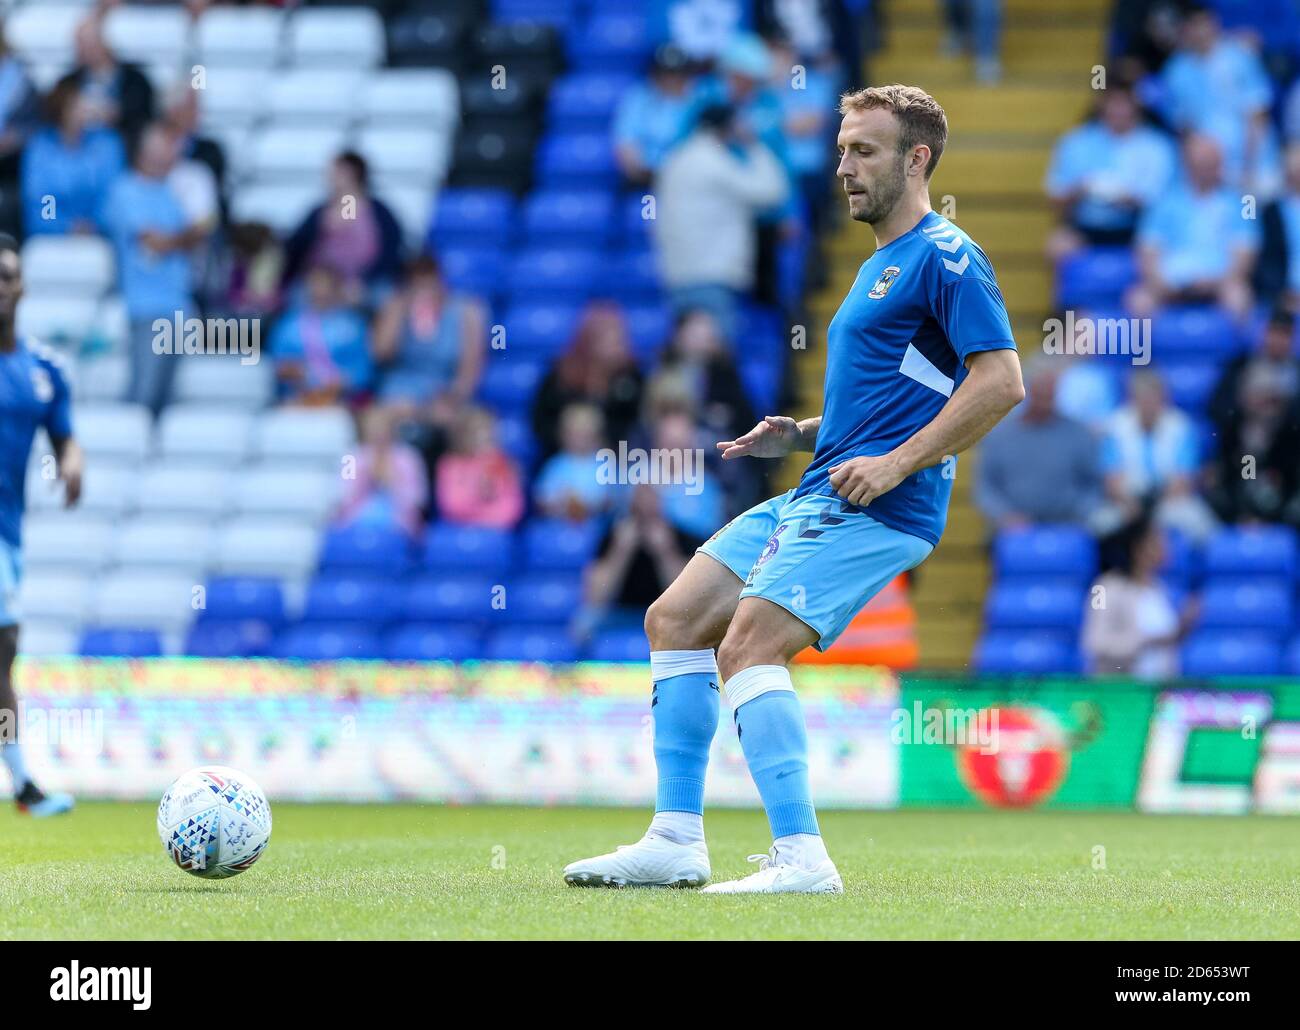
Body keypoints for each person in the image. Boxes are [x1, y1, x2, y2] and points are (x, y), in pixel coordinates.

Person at [564, 85, 1023, 893]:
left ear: (917, 159)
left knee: (748, 644)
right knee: (673, 619)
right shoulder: (883, 262)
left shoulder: (947, 255)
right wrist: (807, 430)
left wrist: (894, 465)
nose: (843, 166)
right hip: (821, 484)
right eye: (843, 149)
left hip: (877, 503)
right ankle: (674, 837)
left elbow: (1000, 382)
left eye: (865, 151)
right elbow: (905, 389)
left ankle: (803, 859)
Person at [0, 233, 81, 816]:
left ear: (21, 285)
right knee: (4, 645)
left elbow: (65, 435)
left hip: (10, 531)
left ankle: (24, 783)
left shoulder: (44, 370)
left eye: (6, 275)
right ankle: (24, 783)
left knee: (3, 654)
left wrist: (72, 466)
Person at [652, 102, 787, 337]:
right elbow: (772, 192)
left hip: (677, 276)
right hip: (714, 275)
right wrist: (754, 145)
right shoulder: (714, 161)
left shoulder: (674, 160)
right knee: (717, 359)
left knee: (687, 355)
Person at [102, 123, 205, 415]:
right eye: (162, 150)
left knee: (167, 399)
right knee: (143, 395)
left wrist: (187, 237)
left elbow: (188, 237)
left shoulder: (169, 192)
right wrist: (189, 236)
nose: (169, 156)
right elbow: (154, 242)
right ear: (144, 153)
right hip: (147, 308)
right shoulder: (124, 191)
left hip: (178, 307)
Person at [1127, 134, 1259, 318]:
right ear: (1188, 165)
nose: (1207, 170)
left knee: (1239, 297)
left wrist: (1222, 281)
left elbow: (1246, 251)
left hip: (1220, 282)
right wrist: (1160, 283)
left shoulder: (1245, 201)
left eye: (1212, 164)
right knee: (1139, 300)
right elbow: (1148, 249)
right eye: (1201, 164)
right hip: (1170, 282)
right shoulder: (1163, 200)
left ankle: (1238, 348)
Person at [1045, 84, 1177, 260]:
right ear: (1101, 104)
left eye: (1123, 103)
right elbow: (1056, 198)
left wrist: (1130, 199)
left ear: (1136, 105)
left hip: (1138, 229)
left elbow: (1166, 201)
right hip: (1087, 226)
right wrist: (1080, 190)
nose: (1118, 110)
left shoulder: (1157, 146)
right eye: (1113, 103)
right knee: (1057, 246)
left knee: (1157, 249)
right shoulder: (1075, 142)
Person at [975, 363, 1101, 530]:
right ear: (1028, 392)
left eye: (1049, 395)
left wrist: (1079, 515)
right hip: (1013, 530)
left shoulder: (1078, 434)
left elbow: (1092, 484)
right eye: (1040, 394)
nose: (1044, 402)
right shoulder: (1000, 436)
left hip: (1067, 527)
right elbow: (986, 487)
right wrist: (1005, 516)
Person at [1097, 369, 1217, 541]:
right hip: (1127, 503)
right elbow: (1111, 480)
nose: (1147, 403)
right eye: (1141, 397)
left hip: (1170, 501)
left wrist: (1154, 506)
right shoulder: (1114, 427)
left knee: (1202, 524)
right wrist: (1132, 503)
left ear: (1163, 398)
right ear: (1131, 399)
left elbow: (1184, 480)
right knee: (1101, 524)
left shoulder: (1181, 427)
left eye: (1152, 397)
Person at [371, 253, 486, 423]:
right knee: (385, 414)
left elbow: (470, 369)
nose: (425, 288)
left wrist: (452, 397)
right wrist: (399, 312)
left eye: (429, 280)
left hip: (445, 390)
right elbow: (381, 354)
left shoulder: (468, 312)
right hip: (401, 389)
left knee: (450, 416)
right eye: (417, 282)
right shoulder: (395, 306)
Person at [1082, 511, 1196, 679]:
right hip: (1121, 692)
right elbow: (1095, 641)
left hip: (1158, 692)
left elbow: (1165, 644)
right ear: (1138, 548)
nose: (1165, 546)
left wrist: (1183, 628)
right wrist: (1144, 641)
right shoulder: (1103, 587)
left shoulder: (1158, 588)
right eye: (1158, 540)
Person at [281, 151, 405, 306]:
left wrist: (363, 282)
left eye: (338, 171)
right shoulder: (320, 212)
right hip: (320, 281)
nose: (330, 176)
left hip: (367, 281)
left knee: (387, 297)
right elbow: (296, 246)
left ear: (354, 173)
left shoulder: (377, 212)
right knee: (296, 296)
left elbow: (391, 250)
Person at [531, 303, 644, 460]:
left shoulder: (633, 377)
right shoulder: (560, 378)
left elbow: (636, 426)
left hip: (617, 462)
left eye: (620, 338)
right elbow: (541, 424)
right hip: (565, 461)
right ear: (590, 340)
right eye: (609, 339)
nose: (618, 346)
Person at [20, 76, 124, 236]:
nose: (87, 108)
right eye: (78, 104)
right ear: (62, 109)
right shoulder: (40, 147)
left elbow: (110, 194)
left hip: (100, 235)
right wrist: (63, 226)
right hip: (50, 236)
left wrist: (94, 224)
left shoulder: (108, 144)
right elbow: (42, 196)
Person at [269, 265, 373, 407]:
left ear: (336, 289)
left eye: (325, 285)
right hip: (295, 398)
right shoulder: (288, 325)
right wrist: (292, 371)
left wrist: (339, 382)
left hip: (342, 400)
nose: (319, 291)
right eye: (315, 284)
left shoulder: (353, 326)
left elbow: (363, 372)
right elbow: (274, 366)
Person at [612, 43, 699, 186]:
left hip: (689, 180)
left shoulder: (700, 98)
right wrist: (643, 172)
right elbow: (625, 142)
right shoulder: (638, 97)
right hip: (645, 178)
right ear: (655, 73)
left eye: (677, 73)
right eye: (666, 72)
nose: (671, 79)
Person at [335, 406, 428, 539]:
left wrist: (392, 481)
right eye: (373, 427)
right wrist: (365, 475)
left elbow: (417, 499)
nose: (378, 432)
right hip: (356, 521)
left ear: (391, 429)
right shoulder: (350, 458)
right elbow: (343, 496)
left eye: (382, 427)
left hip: (400, 524)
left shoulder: (409, 457)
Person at [65, 13, 154, 147]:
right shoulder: (68, 83)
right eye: (79, 44)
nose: (83, 50)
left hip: (127, 149)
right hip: (81, 152)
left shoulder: (136, 81)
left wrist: (118, 113)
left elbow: (145, 116)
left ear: (104, 42)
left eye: (88, 44)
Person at [435, 406, 523, 529]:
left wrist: (488, 521)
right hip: (457, 529)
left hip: (495, 531)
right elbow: (450, 505)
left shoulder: (504, 465)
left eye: (488, 432)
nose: (483, 438)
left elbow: (512, 508)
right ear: (461, 436)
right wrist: (477, 495)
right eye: (475, 432)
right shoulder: (450, 464)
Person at [533, 403, 615, 523]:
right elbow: (541, 498)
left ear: (597, 437)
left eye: (585, 435)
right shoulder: (555, 465)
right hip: (558, 523)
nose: (580, 440)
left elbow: (610, 499)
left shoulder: (605, 465)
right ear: (563, 435)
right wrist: (562, 502)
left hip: (594, 524)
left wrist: (585, 504)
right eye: (575, 435)